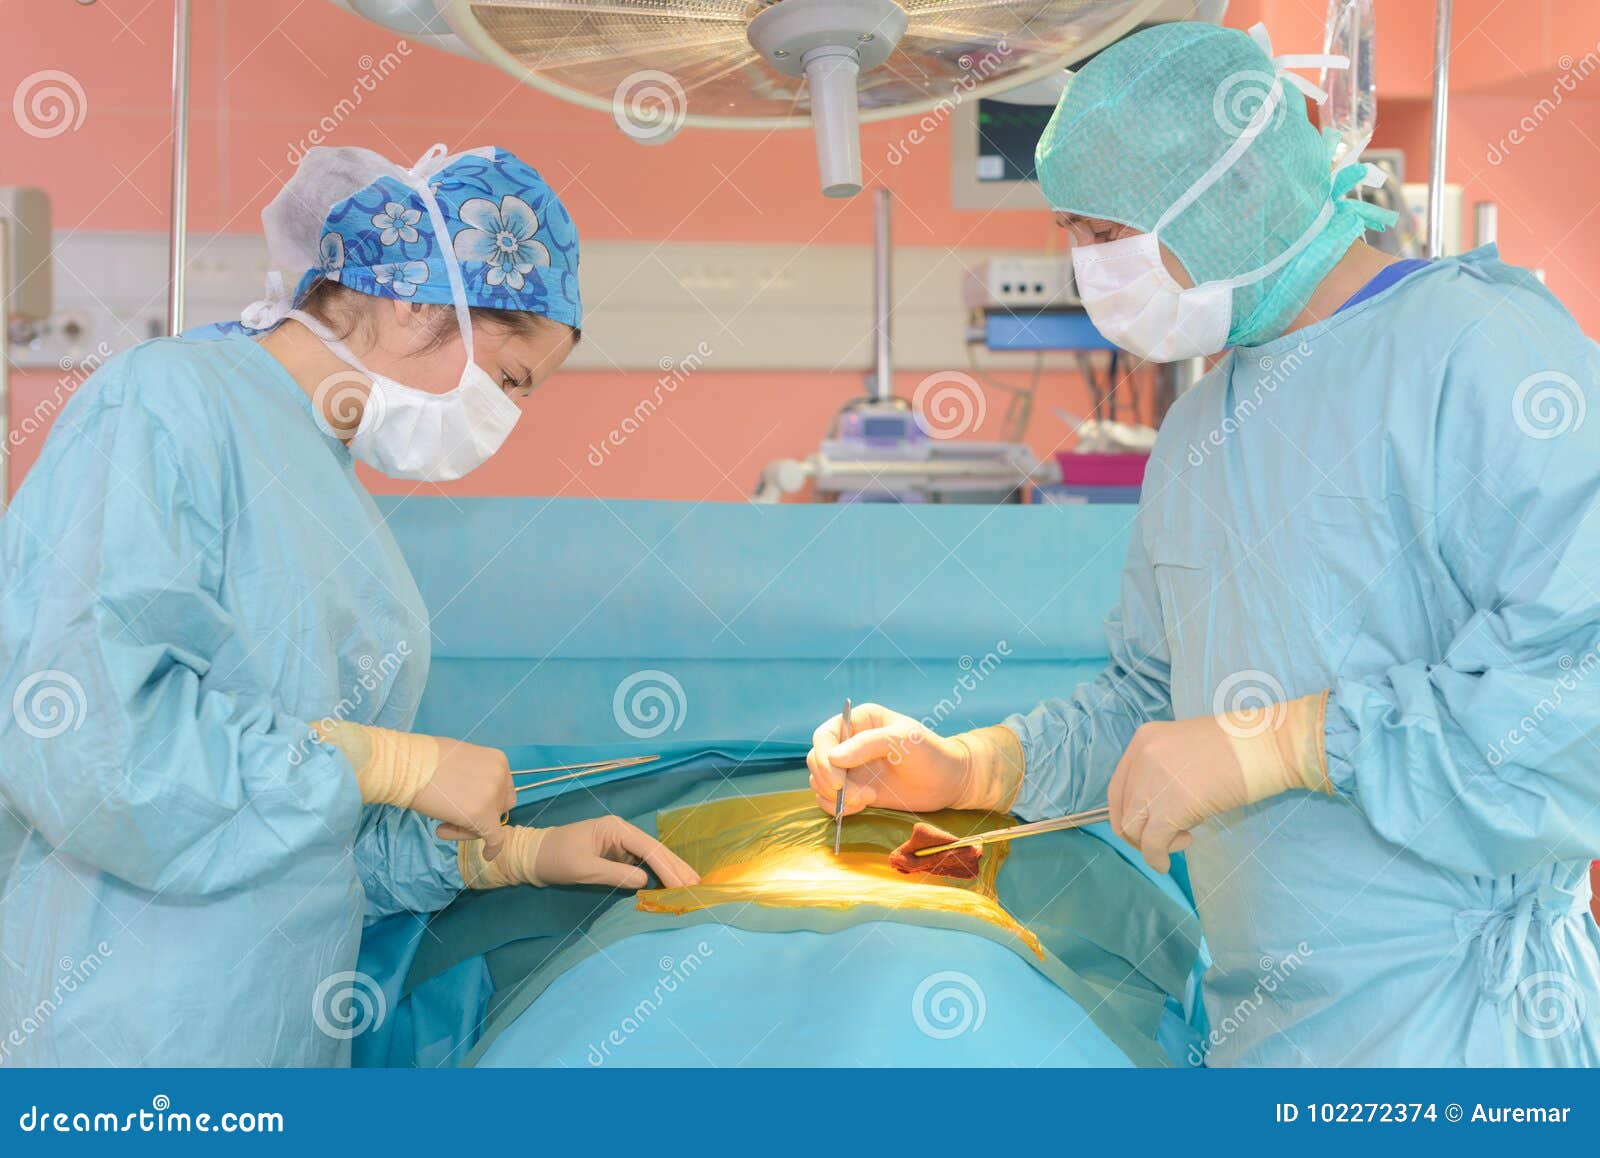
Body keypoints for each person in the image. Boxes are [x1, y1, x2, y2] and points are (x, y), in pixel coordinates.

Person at [809, 22, 1600, 1066]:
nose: (1087, 267)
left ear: (1227, 194)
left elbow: (1574, 689)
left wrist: (1283, 744)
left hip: (1458, 1032)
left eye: (1102, 232)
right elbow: (1153, 704)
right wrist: (971, 766)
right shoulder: (1198, 427)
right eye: (1073, 234)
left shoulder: (1481, 353)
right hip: (1265, 1032)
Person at [0, 143, 695, 1066]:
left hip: (271, 1035)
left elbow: (301, 841)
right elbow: (89, 746)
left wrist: (497, 858)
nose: (508, 414)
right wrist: (382, 760)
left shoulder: (326, 485)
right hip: (130, 1035)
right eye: (512, 378)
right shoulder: (164, 406)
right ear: (416, 303)